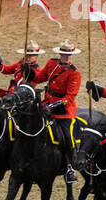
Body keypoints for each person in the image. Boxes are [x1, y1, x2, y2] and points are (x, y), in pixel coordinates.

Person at [34, 39, 83, 185]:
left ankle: (69, 167)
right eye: (64, 54)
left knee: (67, 137)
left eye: (68, 54)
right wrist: (28, 69)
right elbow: (39, 77)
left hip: (64, 110)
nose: (66, 57)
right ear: (60, 54)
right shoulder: (51, 63)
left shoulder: (74, 73)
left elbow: (70, 97)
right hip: (46, 102)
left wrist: (52, 107)